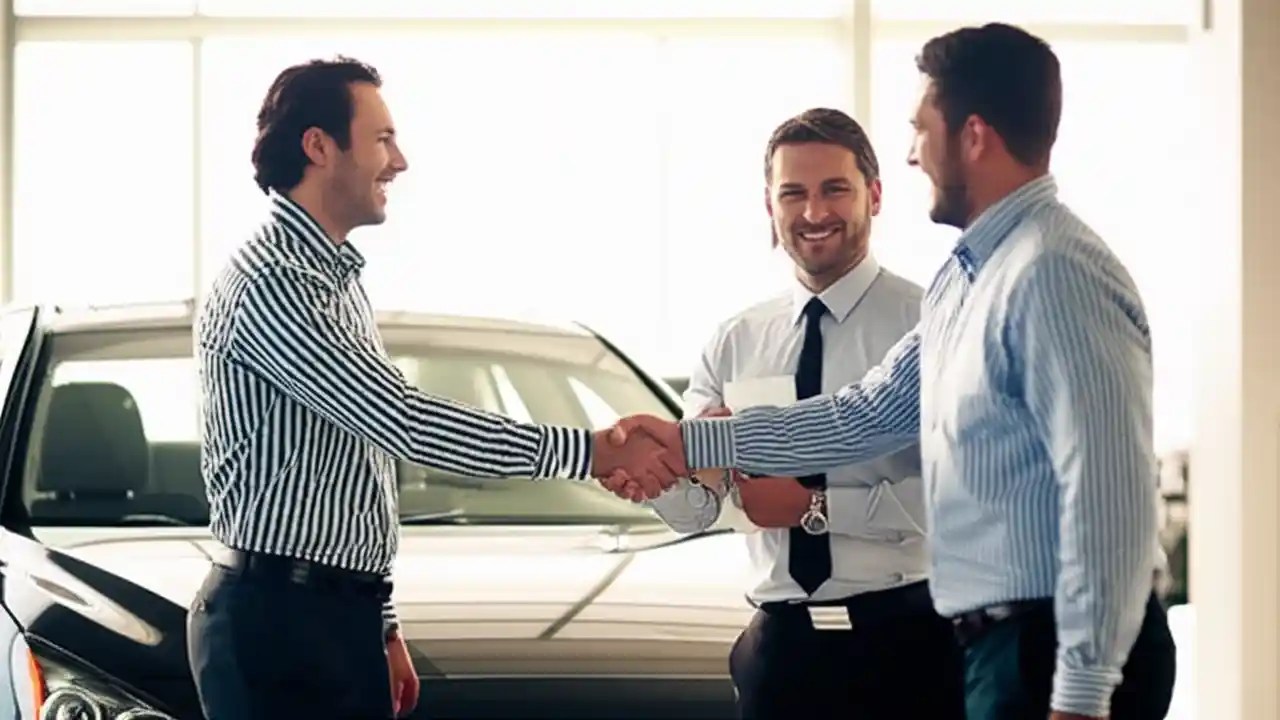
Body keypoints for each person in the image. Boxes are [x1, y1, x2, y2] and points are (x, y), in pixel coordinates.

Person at [609, 23, 1176, 720]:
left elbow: (1109, 495)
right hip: (997, 645)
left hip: (1050, 650)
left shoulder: (1053, 274)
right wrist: (692, 443)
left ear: (972, 136)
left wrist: (1083, 695)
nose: (911, 154)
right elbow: (863, 415)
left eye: (920, 128)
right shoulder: (968, 280)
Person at [186, 56, 683, 720]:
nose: (400, 161)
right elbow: (402, 423)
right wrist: (593, 452)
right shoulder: (272, 284)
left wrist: (379, 621)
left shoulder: (336, 279)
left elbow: (355, 469)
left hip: (333, 616)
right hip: (277, 631)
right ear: (318, 146)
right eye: (383, 139)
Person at [646, 108, 963, 719]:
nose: (814, 213)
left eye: (834, 190)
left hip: (912, 646)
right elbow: (689, 516)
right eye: (793, 193)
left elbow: (962, 498)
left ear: (874, 195)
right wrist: (686, 472)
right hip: (781, 654)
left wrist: (816, 509)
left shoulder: (931, 324)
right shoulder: (735, 339)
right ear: (770, 206)